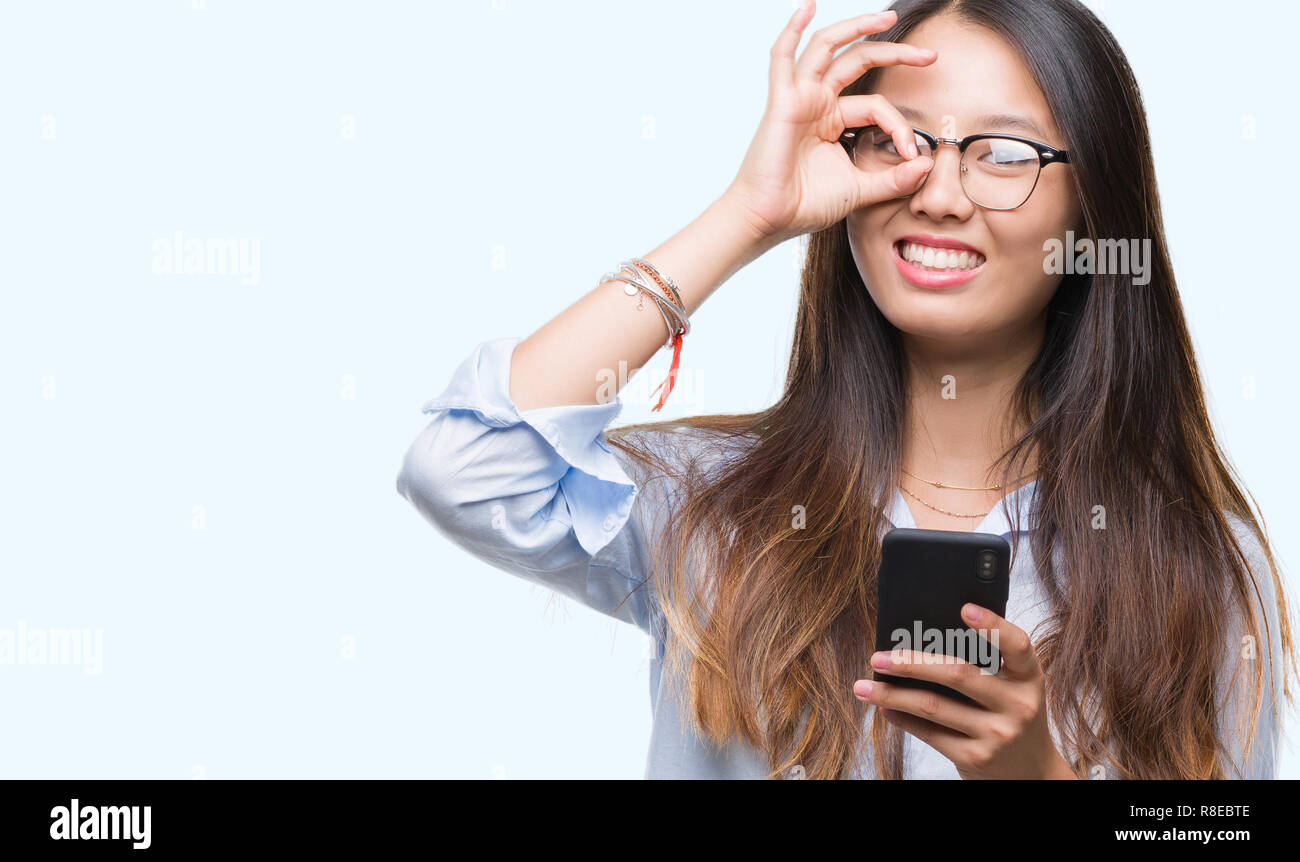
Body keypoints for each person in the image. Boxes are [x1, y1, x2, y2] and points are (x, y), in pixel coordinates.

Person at [397, 0, 1295, 779]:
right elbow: (468, 465)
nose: (939, 192)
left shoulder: (1194, 565)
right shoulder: (712, 502)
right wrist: (750, 214)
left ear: (1093, 204)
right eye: (897, 140)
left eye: (1003, 152)